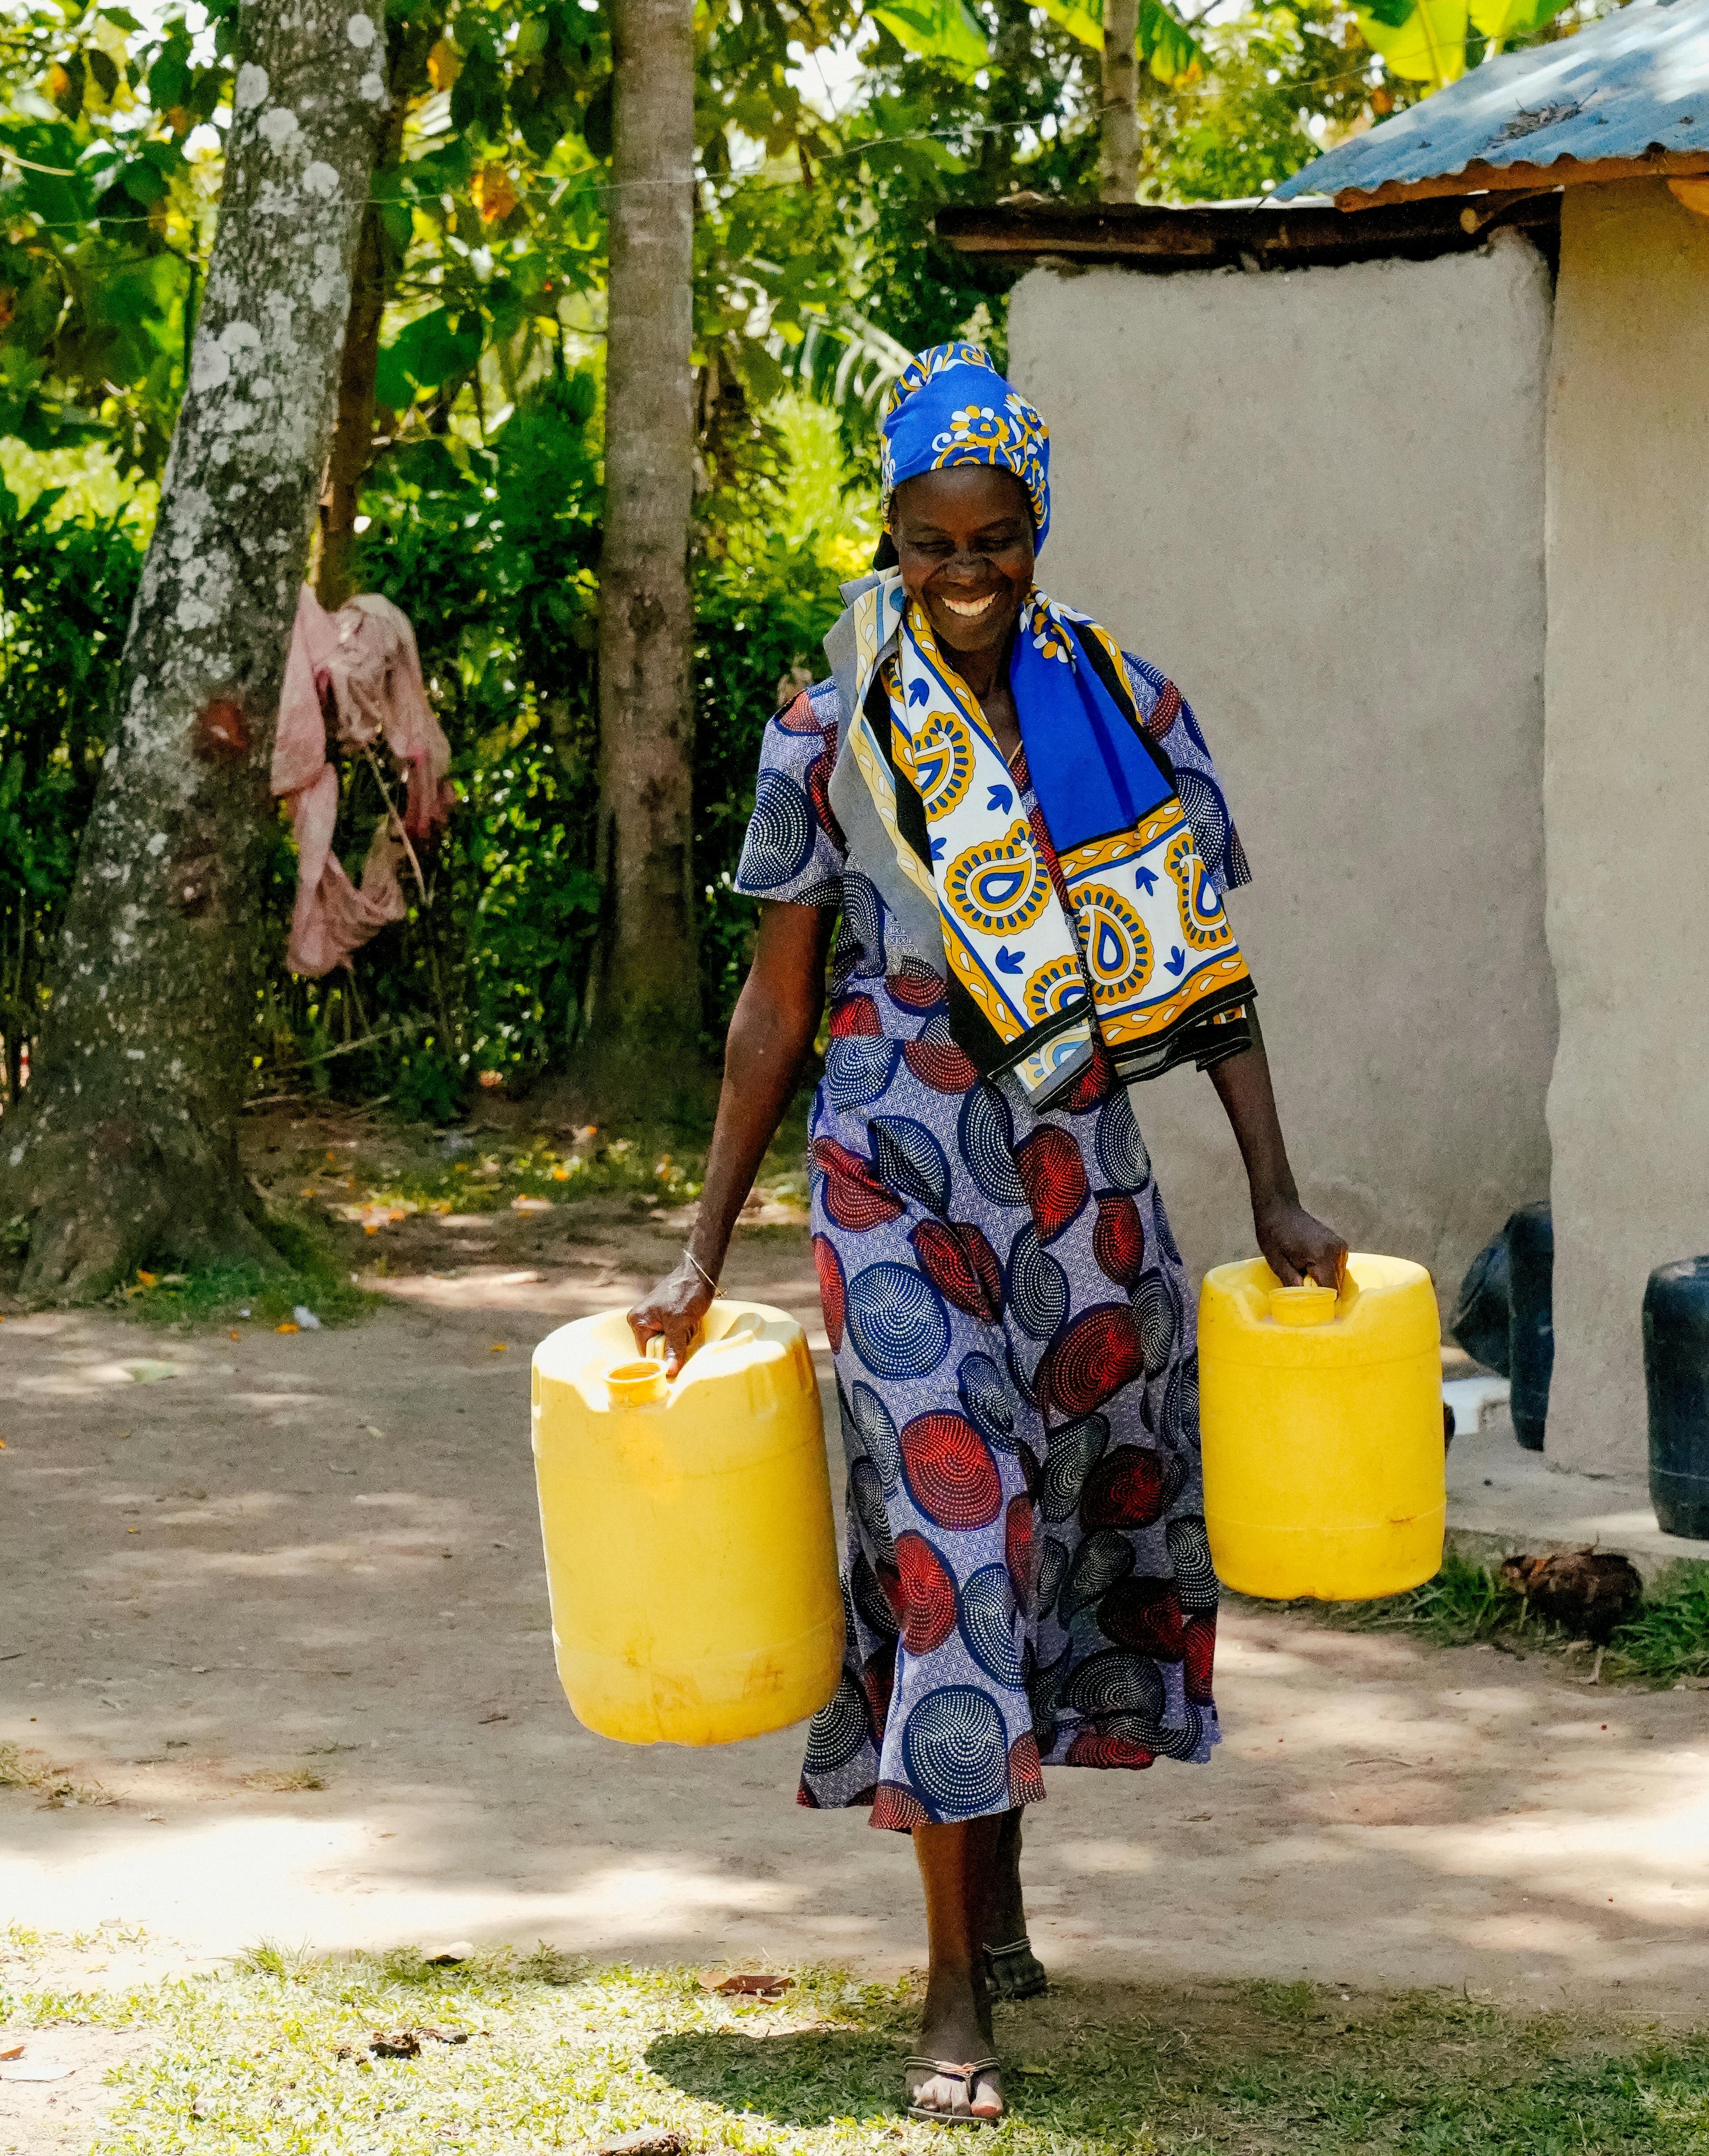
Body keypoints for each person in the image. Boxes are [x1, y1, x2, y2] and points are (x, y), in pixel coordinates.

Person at [630, 342, 1345, 2127]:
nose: (964, 580)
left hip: (1082, 1186)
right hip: (893, 1181)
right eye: (933, 547)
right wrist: (704, 1250)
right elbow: (769, 1012)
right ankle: (950, 1988)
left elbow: (1206, 978)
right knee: (952, 1532)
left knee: (1047, 1542)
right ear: (887, 536)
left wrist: (1269, 1183)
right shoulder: (834, 730)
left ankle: (1002, 1902)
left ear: (1038, 532)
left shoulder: (1127, 705)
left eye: (996, 542)